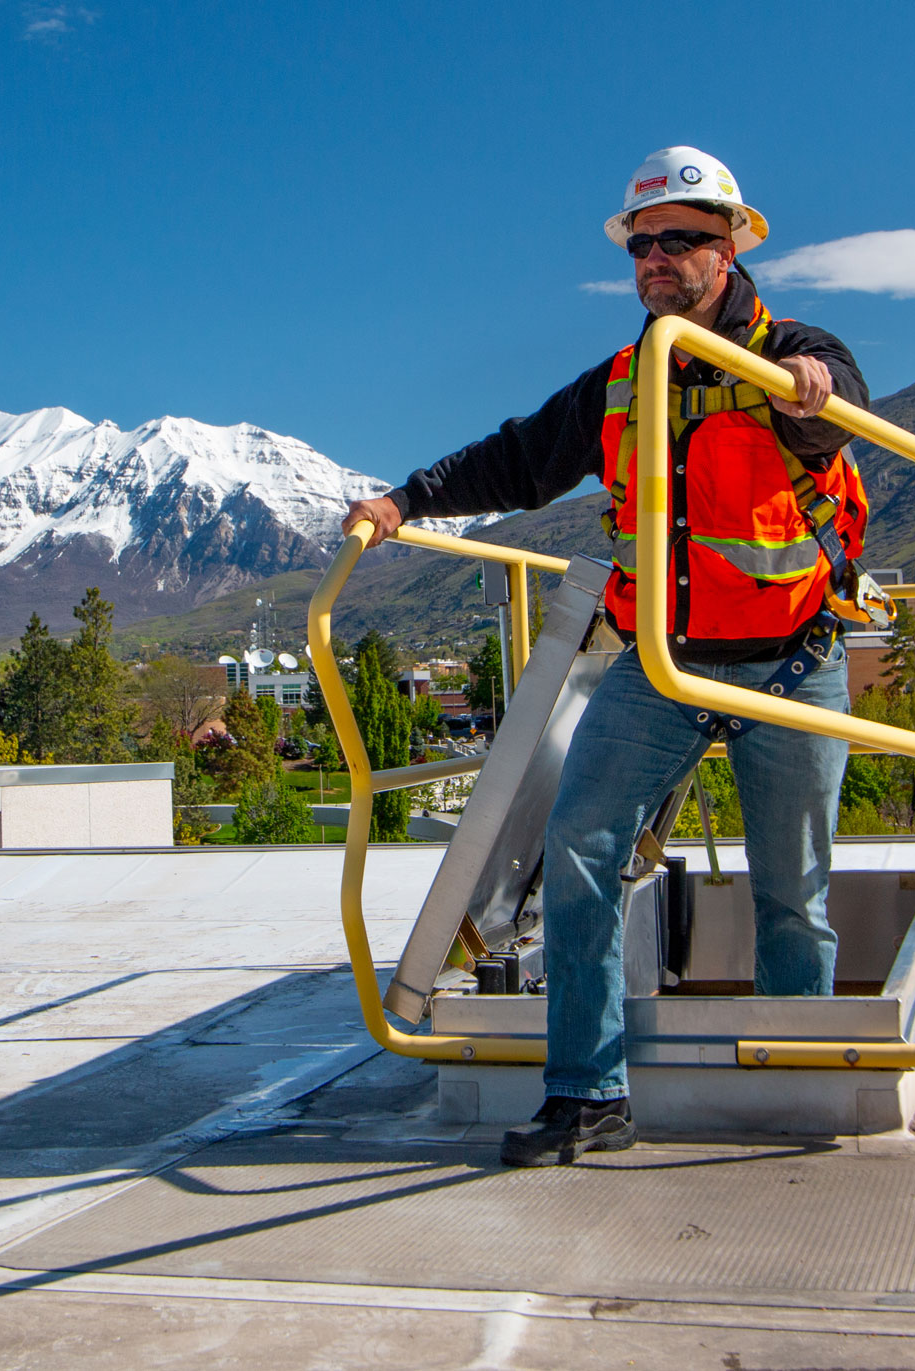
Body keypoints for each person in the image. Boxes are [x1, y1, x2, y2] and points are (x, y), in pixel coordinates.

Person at [341, 145, 871, 1168]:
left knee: (790, 889)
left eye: (679, 240)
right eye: (642, 244)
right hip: (662, 664)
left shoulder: (795, 349)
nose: (655, 259)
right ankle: (587, 1091)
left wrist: (812, 391)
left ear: (729, 248)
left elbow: (832, 403)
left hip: (790, 662)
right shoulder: (624, 381)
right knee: (581, 847)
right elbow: (516, 454)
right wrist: (404, 499)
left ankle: (799, 1077)